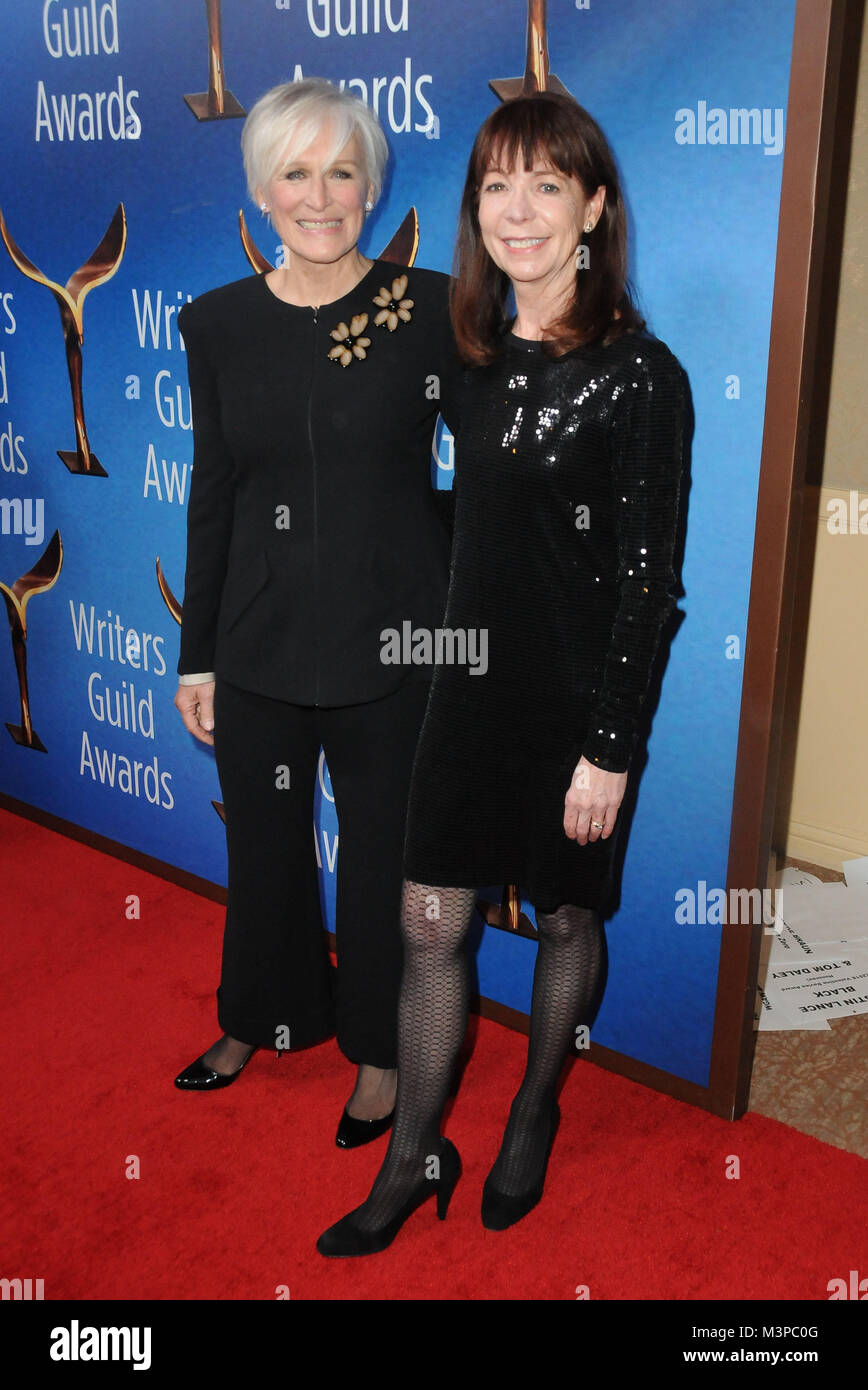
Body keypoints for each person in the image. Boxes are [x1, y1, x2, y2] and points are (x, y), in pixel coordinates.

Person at [317, 90, 689, 1254]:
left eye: (544, 184)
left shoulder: (642, 374)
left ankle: (534, 1103)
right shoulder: (464, 352)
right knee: (430, 923)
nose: (516, 210)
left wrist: (610, 749)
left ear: (593, 207)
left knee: (566, 915)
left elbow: (647, 585)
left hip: (578, 709)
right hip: (465, 691)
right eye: (494, 186)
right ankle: (416, 1148)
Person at [172, 77, 460, 1149]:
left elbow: (484, 467)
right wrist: (195, 654)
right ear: (260, 189)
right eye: (296, 171)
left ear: (371, 185)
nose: (321, 194)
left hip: (395, 647)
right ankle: (264, 1014)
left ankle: (379, 1053)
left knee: (384, 857)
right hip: (255, 646)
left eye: (343, 170)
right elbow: (216, 494)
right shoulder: (217, 323)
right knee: (268, 852)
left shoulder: (428, 307)